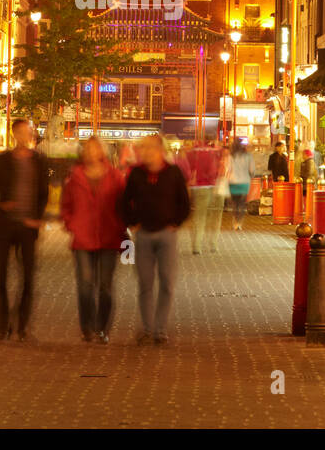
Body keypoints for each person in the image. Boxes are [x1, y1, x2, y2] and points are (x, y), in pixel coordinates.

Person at [118, 134, 191, 345]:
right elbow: (125, 201)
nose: (145, 152)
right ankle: (148, 328)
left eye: (149, 148)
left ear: (160, 150)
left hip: (167, 235)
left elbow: (184, 203)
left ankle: (160, 329)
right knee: (145, 283)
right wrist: (133, 223)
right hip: (143, 235)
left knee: (167, 282)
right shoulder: (137, 174)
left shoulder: (173, 173)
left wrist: (176, 222)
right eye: (143, 149)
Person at [0, 118, 49, 342]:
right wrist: (2, 200)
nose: (25, 136)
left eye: (28, 132)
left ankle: (22, 325)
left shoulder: (39, 161)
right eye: (20, 132)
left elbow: (43, 193)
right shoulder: (2, 160)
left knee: (29, 277)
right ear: (14, 134)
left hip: (28, 226)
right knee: (0, 277)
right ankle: (2, 327)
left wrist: (38, 218)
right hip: (5, 225)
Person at [60, 136, 126, 344]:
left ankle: (102, 328)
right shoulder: (75, 176)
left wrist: (120, 225)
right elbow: (66, 203)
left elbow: (123, 203)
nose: (90, 152)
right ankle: (87, 327)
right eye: (87, 149)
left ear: (102, 152)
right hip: (83, 237)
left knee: (105, 286)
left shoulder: (115, 176)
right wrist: (71, 224)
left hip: (109, 236)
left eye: (94, 149)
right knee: (85, 285)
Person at [186, 138, 222, 254]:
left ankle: (196, 245)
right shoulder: (213, 152)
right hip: (210, 186)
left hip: (196, 188)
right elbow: (214, 170)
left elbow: (187, 170)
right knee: (213, 216)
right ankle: (213, 244)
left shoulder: (192, 152)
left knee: (198, 215)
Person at [226, 139, 254, 230]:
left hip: (233, 182)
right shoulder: (248, 156)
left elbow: (228, 169)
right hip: (244, 182)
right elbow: (252, 170)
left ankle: (234, 221)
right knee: (242, 204)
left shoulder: (231, 156)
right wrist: (250, 176)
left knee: (235, 203)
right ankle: (239, 223)